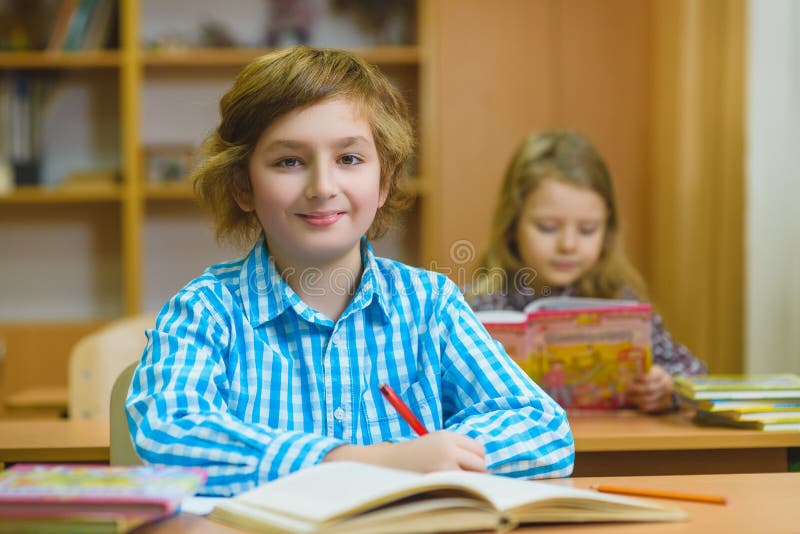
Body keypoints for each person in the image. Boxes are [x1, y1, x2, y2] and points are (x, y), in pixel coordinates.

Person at [126, 47, 574, 496]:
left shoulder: (429, 304)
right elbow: (167, 433)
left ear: (384, 182)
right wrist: (364, 463)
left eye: (349, 159)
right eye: (289, 161)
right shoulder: (205, 310)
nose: (322, 187)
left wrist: (444, 455)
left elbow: (543, 429)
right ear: (243, 186)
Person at [467, 130, 707, 414]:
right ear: (512, 225)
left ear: (607, 230)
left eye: (587, 230)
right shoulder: (478, 307)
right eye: (547, 227)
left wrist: (665, 388)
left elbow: (695, 372)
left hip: (612, 450)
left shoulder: (620, 303)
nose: (568, 245)